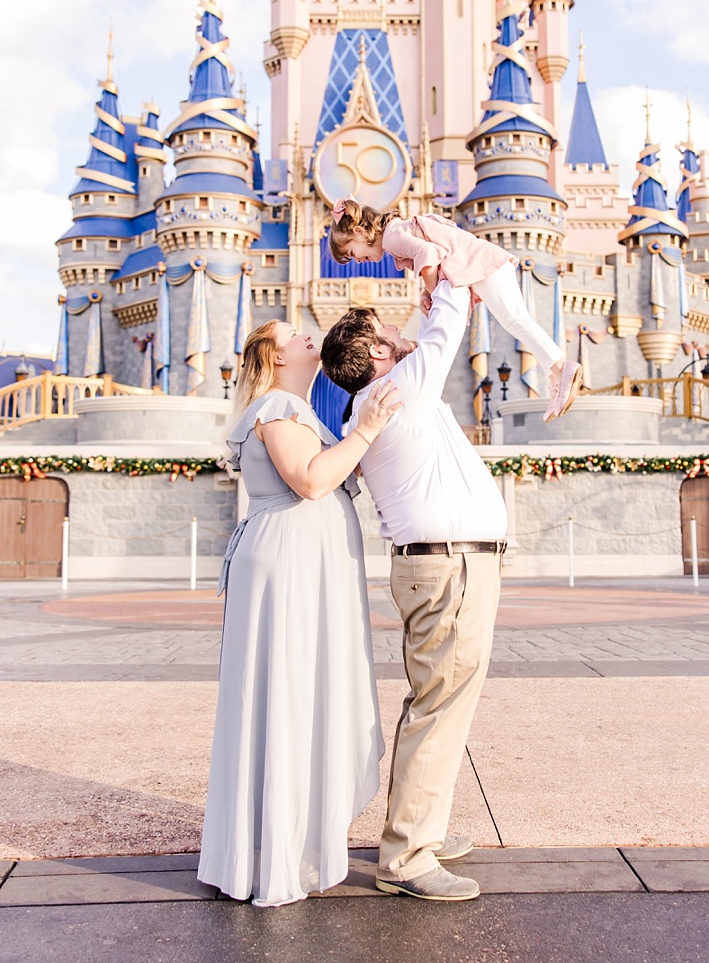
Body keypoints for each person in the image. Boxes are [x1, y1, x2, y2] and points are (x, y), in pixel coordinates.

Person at [198, 319, 402, 907]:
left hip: (302, 563)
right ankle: (281, 854)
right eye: (294, 333)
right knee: (289, 692)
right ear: (272, 353)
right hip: (288, 562)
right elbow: (310, 482)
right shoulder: (280, 403)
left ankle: (279, 845)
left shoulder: (299, 408)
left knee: (292, 694)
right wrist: (365, 432)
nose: (308, 335)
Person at [319, 281, 506, 902]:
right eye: (386, 331)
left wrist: (429, 302)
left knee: (438, 701)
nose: (400, 333)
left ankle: (419, 826)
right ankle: (407, 856)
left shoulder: (392, 393)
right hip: (448, 569)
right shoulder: (394, 390)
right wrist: (448, 272)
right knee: (439, 704)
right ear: (374, 353)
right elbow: (444, 329)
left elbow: (429, 332)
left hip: (451, 566)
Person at [327, 198, 581, 419]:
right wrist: (430, 290)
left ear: (360, 231)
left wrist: (435, 293)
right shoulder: (398, 230)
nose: (358, 260)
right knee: (515, 320)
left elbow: (428, 254)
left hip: (481, 264)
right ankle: (558, 372)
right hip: (479, 264)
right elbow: (436, 252)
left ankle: (561, 369)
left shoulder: (392, 236)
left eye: (352, 252)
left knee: (515, 320)